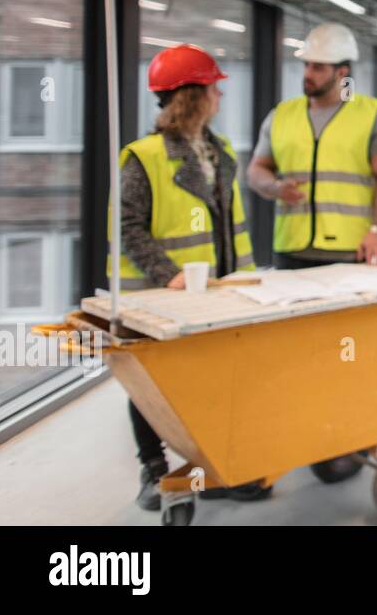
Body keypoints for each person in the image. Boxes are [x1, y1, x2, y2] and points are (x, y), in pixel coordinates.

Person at [115, 43, 265, 510]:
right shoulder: (144, 157)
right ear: (191, 97)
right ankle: (154, 469)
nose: (219, 97)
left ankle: (217, 468)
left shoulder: (218, 153)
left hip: (217, 293)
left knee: (215, 384)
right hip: (160, 296)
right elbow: (128, 227)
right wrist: (169, 273)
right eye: (213, 89)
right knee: (152, 388)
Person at [247, 22, 377, 269]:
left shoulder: (372, 115)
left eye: (318, 67)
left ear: (342, 72)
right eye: (306, 65)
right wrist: (275, 187)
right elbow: (256, 170)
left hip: (351, 247)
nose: (308, 74)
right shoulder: (282, 115)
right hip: (291, 246)